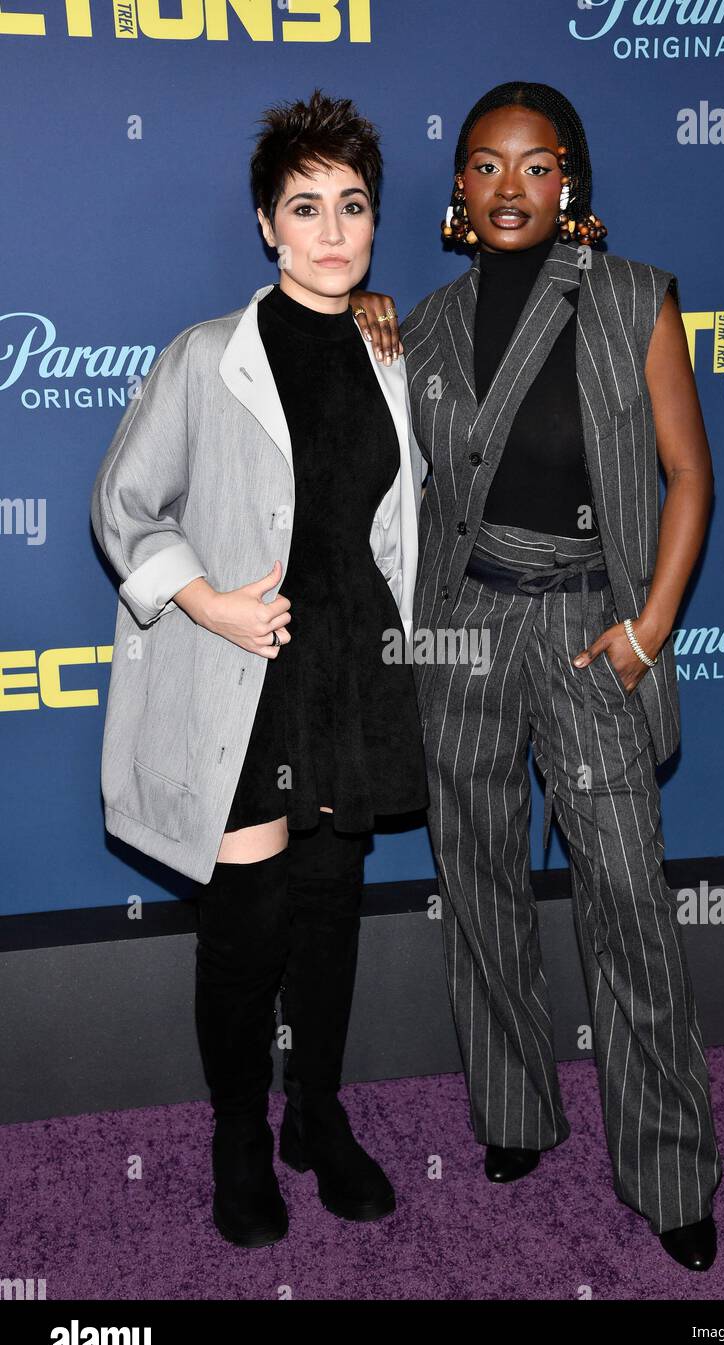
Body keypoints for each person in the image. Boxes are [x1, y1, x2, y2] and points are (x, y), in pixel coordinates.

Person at [351, 81, 723, 1271]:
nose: (510, 187)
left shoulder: (634, 299)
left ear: (573, 183)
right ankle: (514, 1114)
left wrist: (648, 628)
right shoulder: (429, 323)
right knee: (478, 885)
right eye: (484, 166)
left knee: (628, 904)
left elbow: (688, 476)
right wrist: (369, 340)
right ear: (456, 188)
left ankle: (668, 1168)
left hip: (586, 628)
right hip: (461, 630)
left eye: (536, 165)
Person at [90, 90, 428, 1248]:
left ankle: (314, 1117)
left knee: (331, 914)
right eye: (306, 207)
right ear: (265, 224)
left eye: (353, 206)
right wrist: (206, 602)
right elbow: (123, 509)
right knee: (247, 930)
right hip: (246, 672)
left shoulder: (392, 347)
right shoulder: (202, 357)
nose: (332, 230)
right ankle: (239, 1133)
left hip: (352, 674)